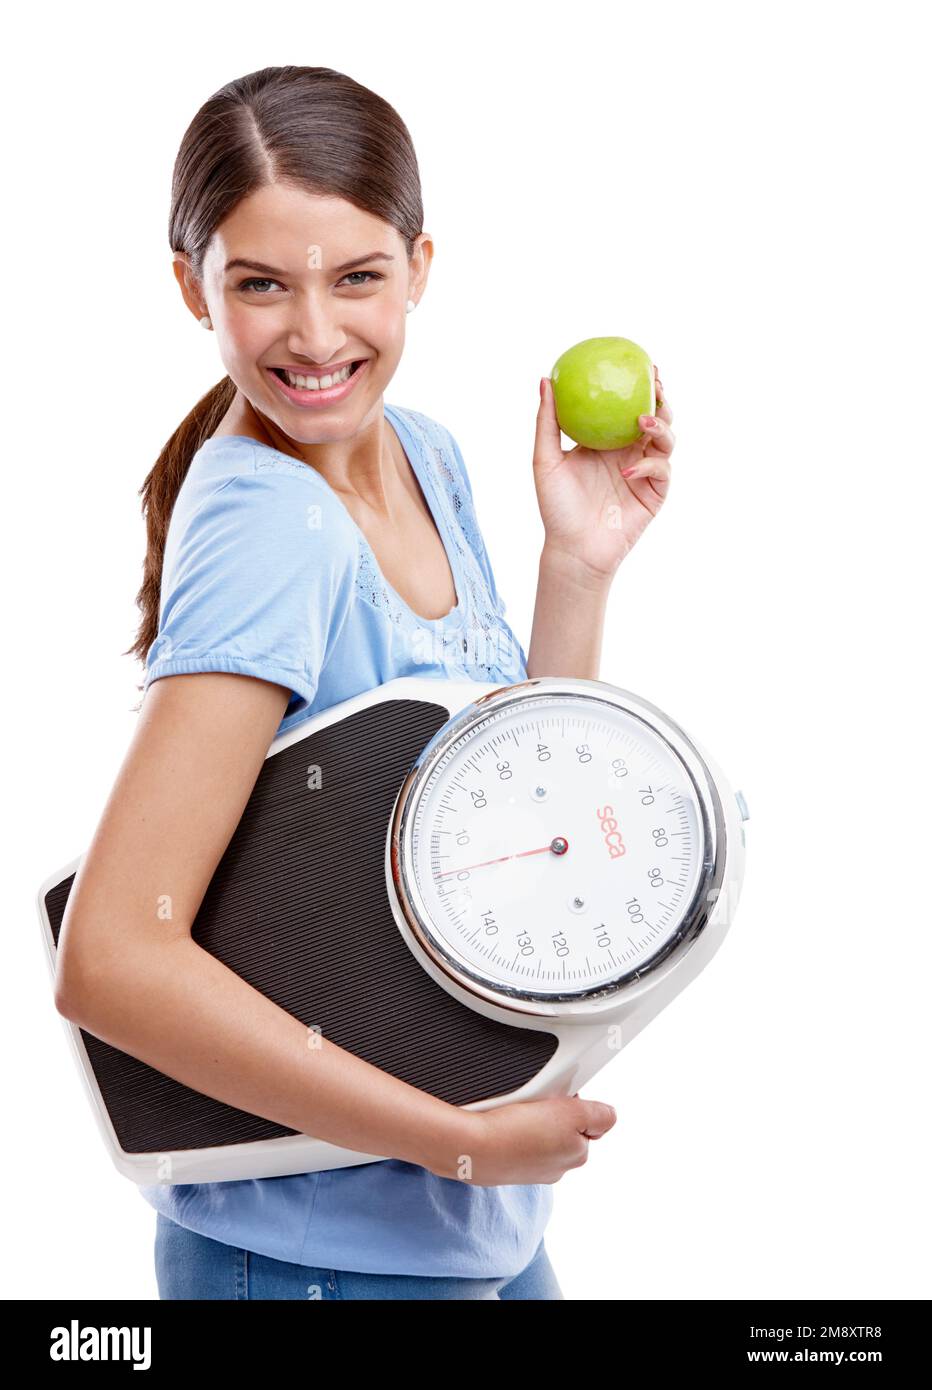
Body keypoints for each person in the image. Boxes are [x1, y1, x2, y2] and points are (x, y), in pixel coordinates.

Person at [53, 64, 675, 1301]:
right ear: (193, 289)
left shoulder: (423, 452)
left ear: (420, 265)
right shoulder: (268, 526)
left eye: (356, 277)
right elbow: (110, 957)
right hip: (311, 1256)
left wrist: (577, 567)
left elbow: (502, 808)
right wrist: (461, 1136)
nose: (318, 336)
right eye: (260, 285)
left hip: (469, 1227)